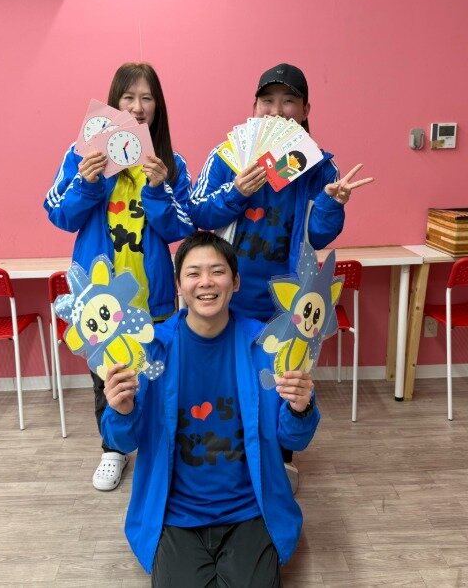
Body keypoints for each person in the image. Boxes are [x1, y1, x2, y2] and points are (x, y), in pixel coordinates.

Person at [189, 63, 372, 491]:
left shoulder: (318, 166)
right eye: (267, 101)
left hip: (288, 297)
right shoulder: (227, 155)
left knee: (285, 377)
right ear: (254, 107)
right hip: (229, 294)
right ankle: (233, 457)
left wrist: (331, 203)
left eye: (288, 101)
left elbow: (320, 234)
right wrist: (237, 190)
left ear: (306, 110)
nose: (276, 110)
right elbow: (199, 213)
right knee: (228, 378)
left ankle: (280, 457)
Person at [101, 231, 320, 586]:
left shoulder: (267, 347)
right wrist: (122, 411)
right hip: (175, 514)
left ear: (236, 282)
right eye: (193, 273)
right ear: (178, 285)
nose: (206, 282)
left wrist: (300, 408)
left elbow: (295, 438)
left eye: (217, 271)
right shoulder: (150, 351)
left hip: (250, 509)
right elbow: (122, 441)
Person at [44, 62, 193, 491]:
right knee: (107, 378)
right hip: (99, 298)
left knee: (156, 375)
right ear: (114, 103)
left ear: (158, 106)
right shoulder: (80, 155)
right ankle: (112, 449)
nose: (138, 106)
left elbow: (182, 226)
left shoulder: (171, 162)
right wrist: (86, 182)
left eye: (147, 98)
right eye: (129, 97)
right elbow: (59, 214)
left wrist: (158, 189)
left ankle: (158, 449)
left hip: (154, 297)